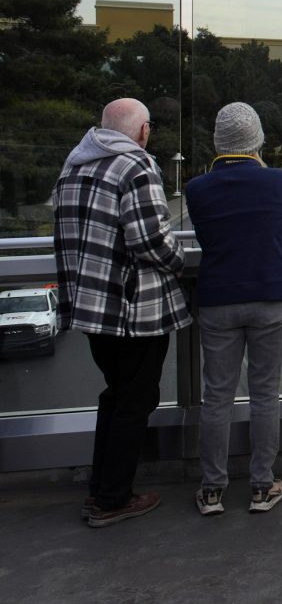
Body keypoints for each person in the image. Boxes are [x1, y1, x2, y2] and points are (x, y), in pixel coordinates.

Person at [53, 98, 189, 528]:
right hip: (133, 312)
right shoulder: (136, 167)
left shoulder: (74, 167)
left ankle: (100, 491)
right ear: (143, 131)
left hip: (91, 309)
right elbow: (151, 242)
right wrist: (181, 260)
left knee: (115, 396)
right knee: (136, 400)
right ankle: (113, 499)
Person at [185, 102, 282, 515]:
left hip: (219, 299)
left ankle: (213, 489)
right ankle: (261, 486)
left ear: (218, 142)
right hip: (270, 296)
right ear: (257, 141)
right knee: (264, 393)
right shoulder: (277, 182)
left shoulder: (197, 188)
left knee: (216, 396)